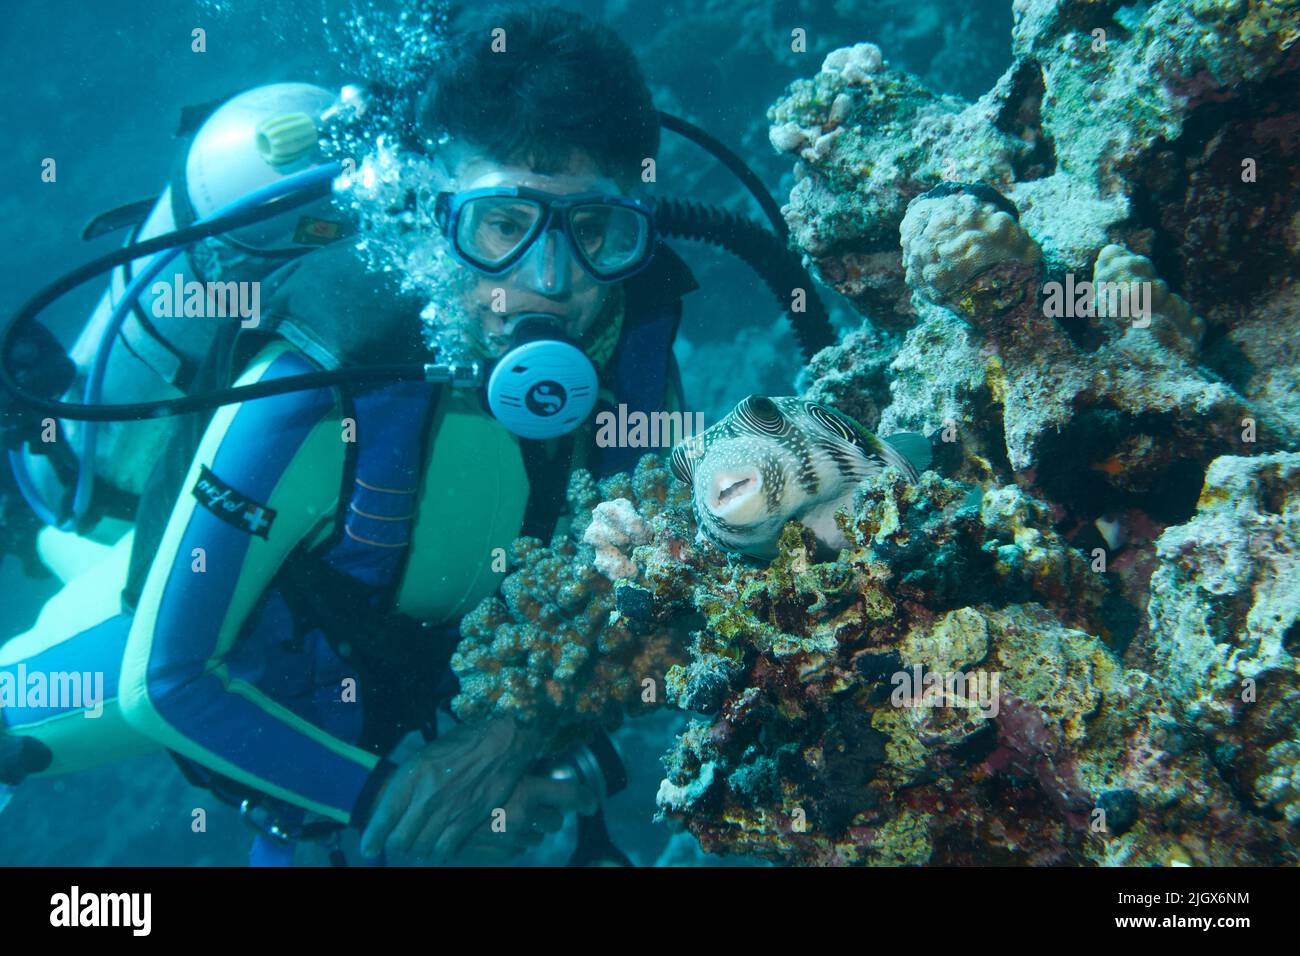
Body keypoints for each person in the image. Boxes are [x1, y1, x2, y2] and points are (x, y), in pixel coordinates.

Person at [0, 5, 698, 865]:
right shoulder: (322, 378)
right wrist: (386, 799)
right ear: (431, 213)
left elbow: (655, 574)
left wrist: (517, 739)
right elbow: (164, 683)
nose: (549, 282)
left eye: (591, 230)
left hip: (415, 661)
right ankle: (34, 520)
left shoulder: (630, 348)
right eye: (503, 226)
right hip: (248, 631)